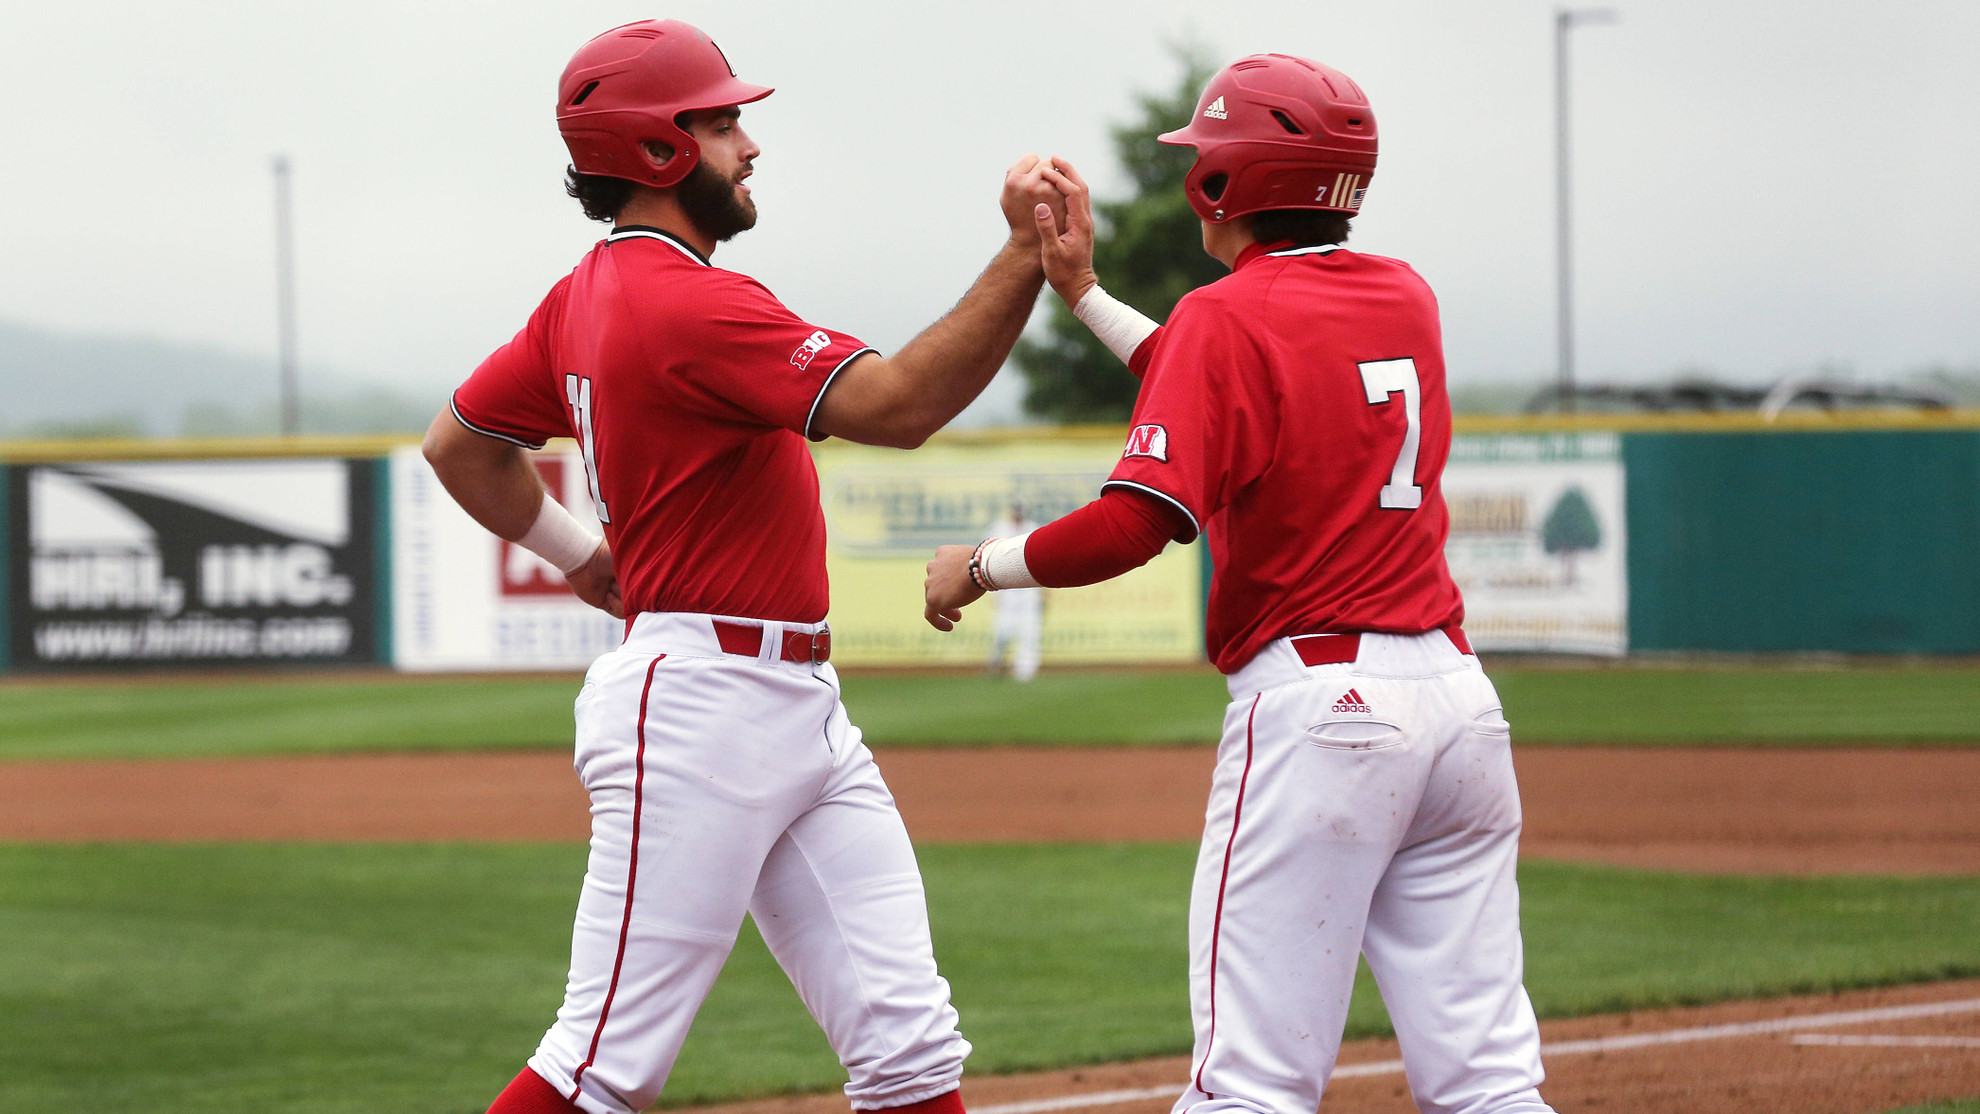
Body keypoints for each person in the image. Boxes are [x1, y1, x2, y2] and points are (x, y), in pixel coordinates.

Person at [423, 20, 1063, 1114]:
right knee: (601, 1064)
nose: (747, 144)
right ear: (658, 150)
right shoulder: (691, 299)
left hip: (794, 704)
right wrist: (1025, 257)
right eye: (720, 123)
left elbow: (458, 447)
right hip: (698, 712)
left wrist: (583, 559)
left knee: (909, 1049)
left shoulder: (583, 293)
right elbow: (899, 405)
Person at [924, 54, 1557, 1114]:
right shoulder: (1407, 297)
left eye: (1206, 154)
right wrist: (1082, 295)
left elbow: (1140, 521)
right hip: (1458, 712)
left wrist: (984, 566)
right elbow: (1220, 370)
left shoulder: (1228, 316)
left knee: (1250, 1086)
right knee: (1489, 1082)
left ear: (1225, 184)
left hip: (1324, 717)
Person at [984, 500, 1043, 681]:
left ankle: (1025, 671)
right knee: (1003, 630)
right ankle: (996, 662)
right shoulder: (999, 528)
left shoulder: (1033, 528)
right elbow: (986, 554)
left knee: (1029, 631)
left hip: (1029, 587)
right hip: (1006, 586)